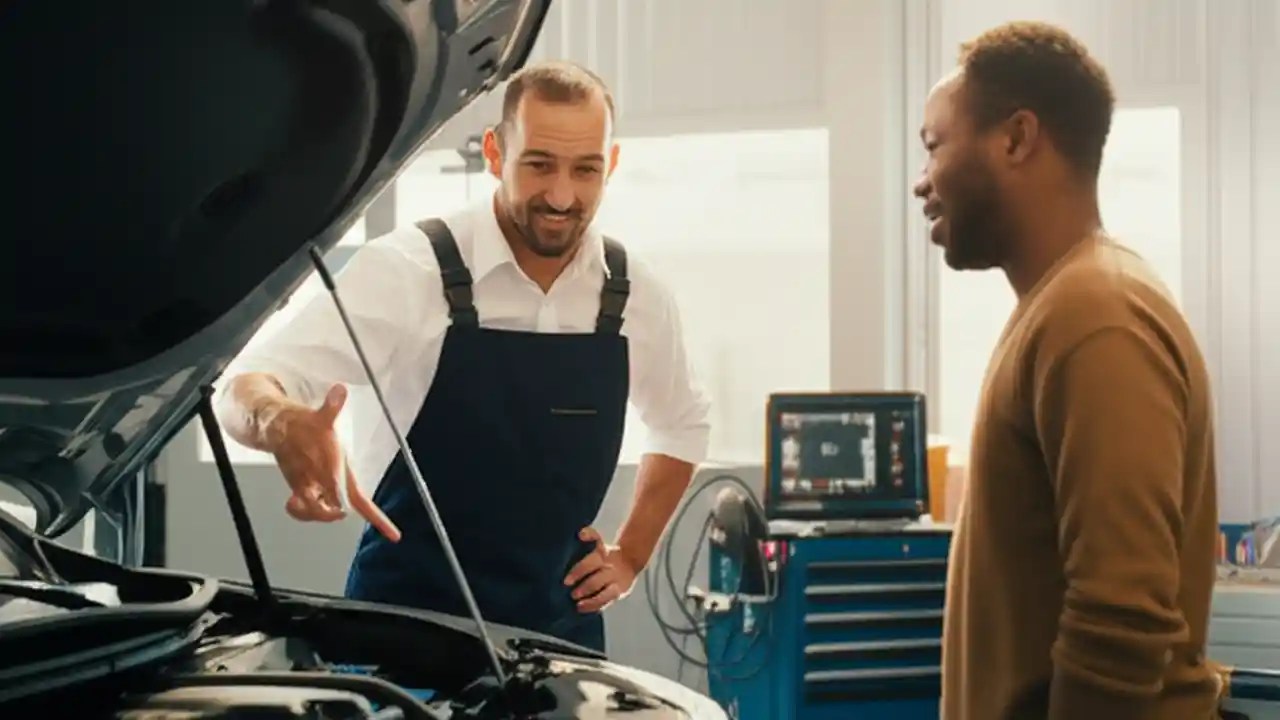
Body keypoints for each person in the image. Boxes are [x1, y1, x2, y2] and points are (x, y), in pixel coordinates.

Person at [215, 60, 711, 654]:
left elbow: (682, 423)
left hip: (556, 636)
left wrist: (631, 554)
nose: (561, 195)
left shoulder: (635, 294)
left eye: (586, 170)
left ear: (613, 165)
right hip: (402, 630)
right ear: (497, 155)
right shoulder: (408, 270)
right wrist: (278, 420)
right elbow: (244, 382)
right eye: (539, 165)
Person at [912, 21, 1221, 720]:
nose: (921, 182)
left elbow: (1121, 619)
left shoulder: (1095, 316)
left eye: (934, 146)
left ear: (1017, 138)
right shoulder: (1061, 304)